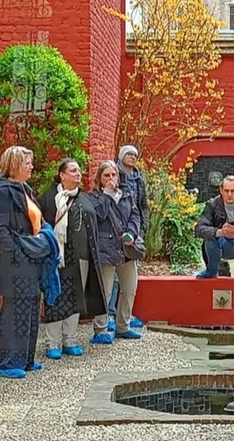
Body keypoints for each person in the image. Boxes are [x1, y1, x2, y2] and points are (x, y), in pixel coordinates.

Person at [0, 146, 55, 379]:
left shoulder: (25, 189)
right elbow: (0, 230)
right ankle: (7, 363)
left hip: (31, 257)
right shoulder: (3, 192)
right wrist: (15, 255)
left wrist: (46, 238)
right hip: (16, 261)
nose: (31, 166)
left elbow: (40, 220)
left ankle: (26, 359)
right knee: (15, 309)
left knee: (30, 308)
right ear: (15, 164)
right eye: (27, 162)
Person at [38, 158, 101, 360]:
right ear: (62, 174)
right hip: (56, 258)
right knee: (54, 297)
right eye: (73, 170)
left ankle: (70, 340)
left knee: (75, 298)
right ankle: (52, 342)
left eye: (79, 171)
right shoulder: (48, 198)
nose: (78, 173)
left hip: (80, 257)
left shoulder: (84, 199)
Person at [89, 159, 144, 343]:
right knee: (104, 290)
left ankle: (123, 325)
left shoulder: (126, 193)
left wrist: (132, 232)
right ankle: (101, 329)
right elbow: (99, 215)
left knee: (129, 288)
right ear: (100, 178)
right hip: (106, 248)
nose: (111, 178)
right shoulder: (94, 197)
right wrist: (107, 195)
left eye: (114, 175)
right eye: (107, 175)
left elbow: (135, 215)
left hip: (125, 248)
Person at [114, 145, 150, 331]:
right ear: (121, 156)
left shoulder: (139, 177)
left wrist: (143, 226)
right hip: (115, 229)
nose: (132, 157)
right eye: (129, 154)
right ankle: (111, 314)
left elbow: (143, 204)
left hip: (134, 228)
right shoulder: (114, 173)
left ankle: (125, 316)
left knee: (130, 276)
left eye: (135, 154)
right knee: (113, 277)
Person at [196, 174, 234, 278]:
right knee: (209, 238)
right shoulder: (212, 204)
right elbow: (199, 228)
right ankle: (211, 271)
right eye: (226, 191)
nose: (229, 194)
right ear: (221, 190)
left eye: (232, 191)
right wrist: (220, 232)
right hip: (222, 244)